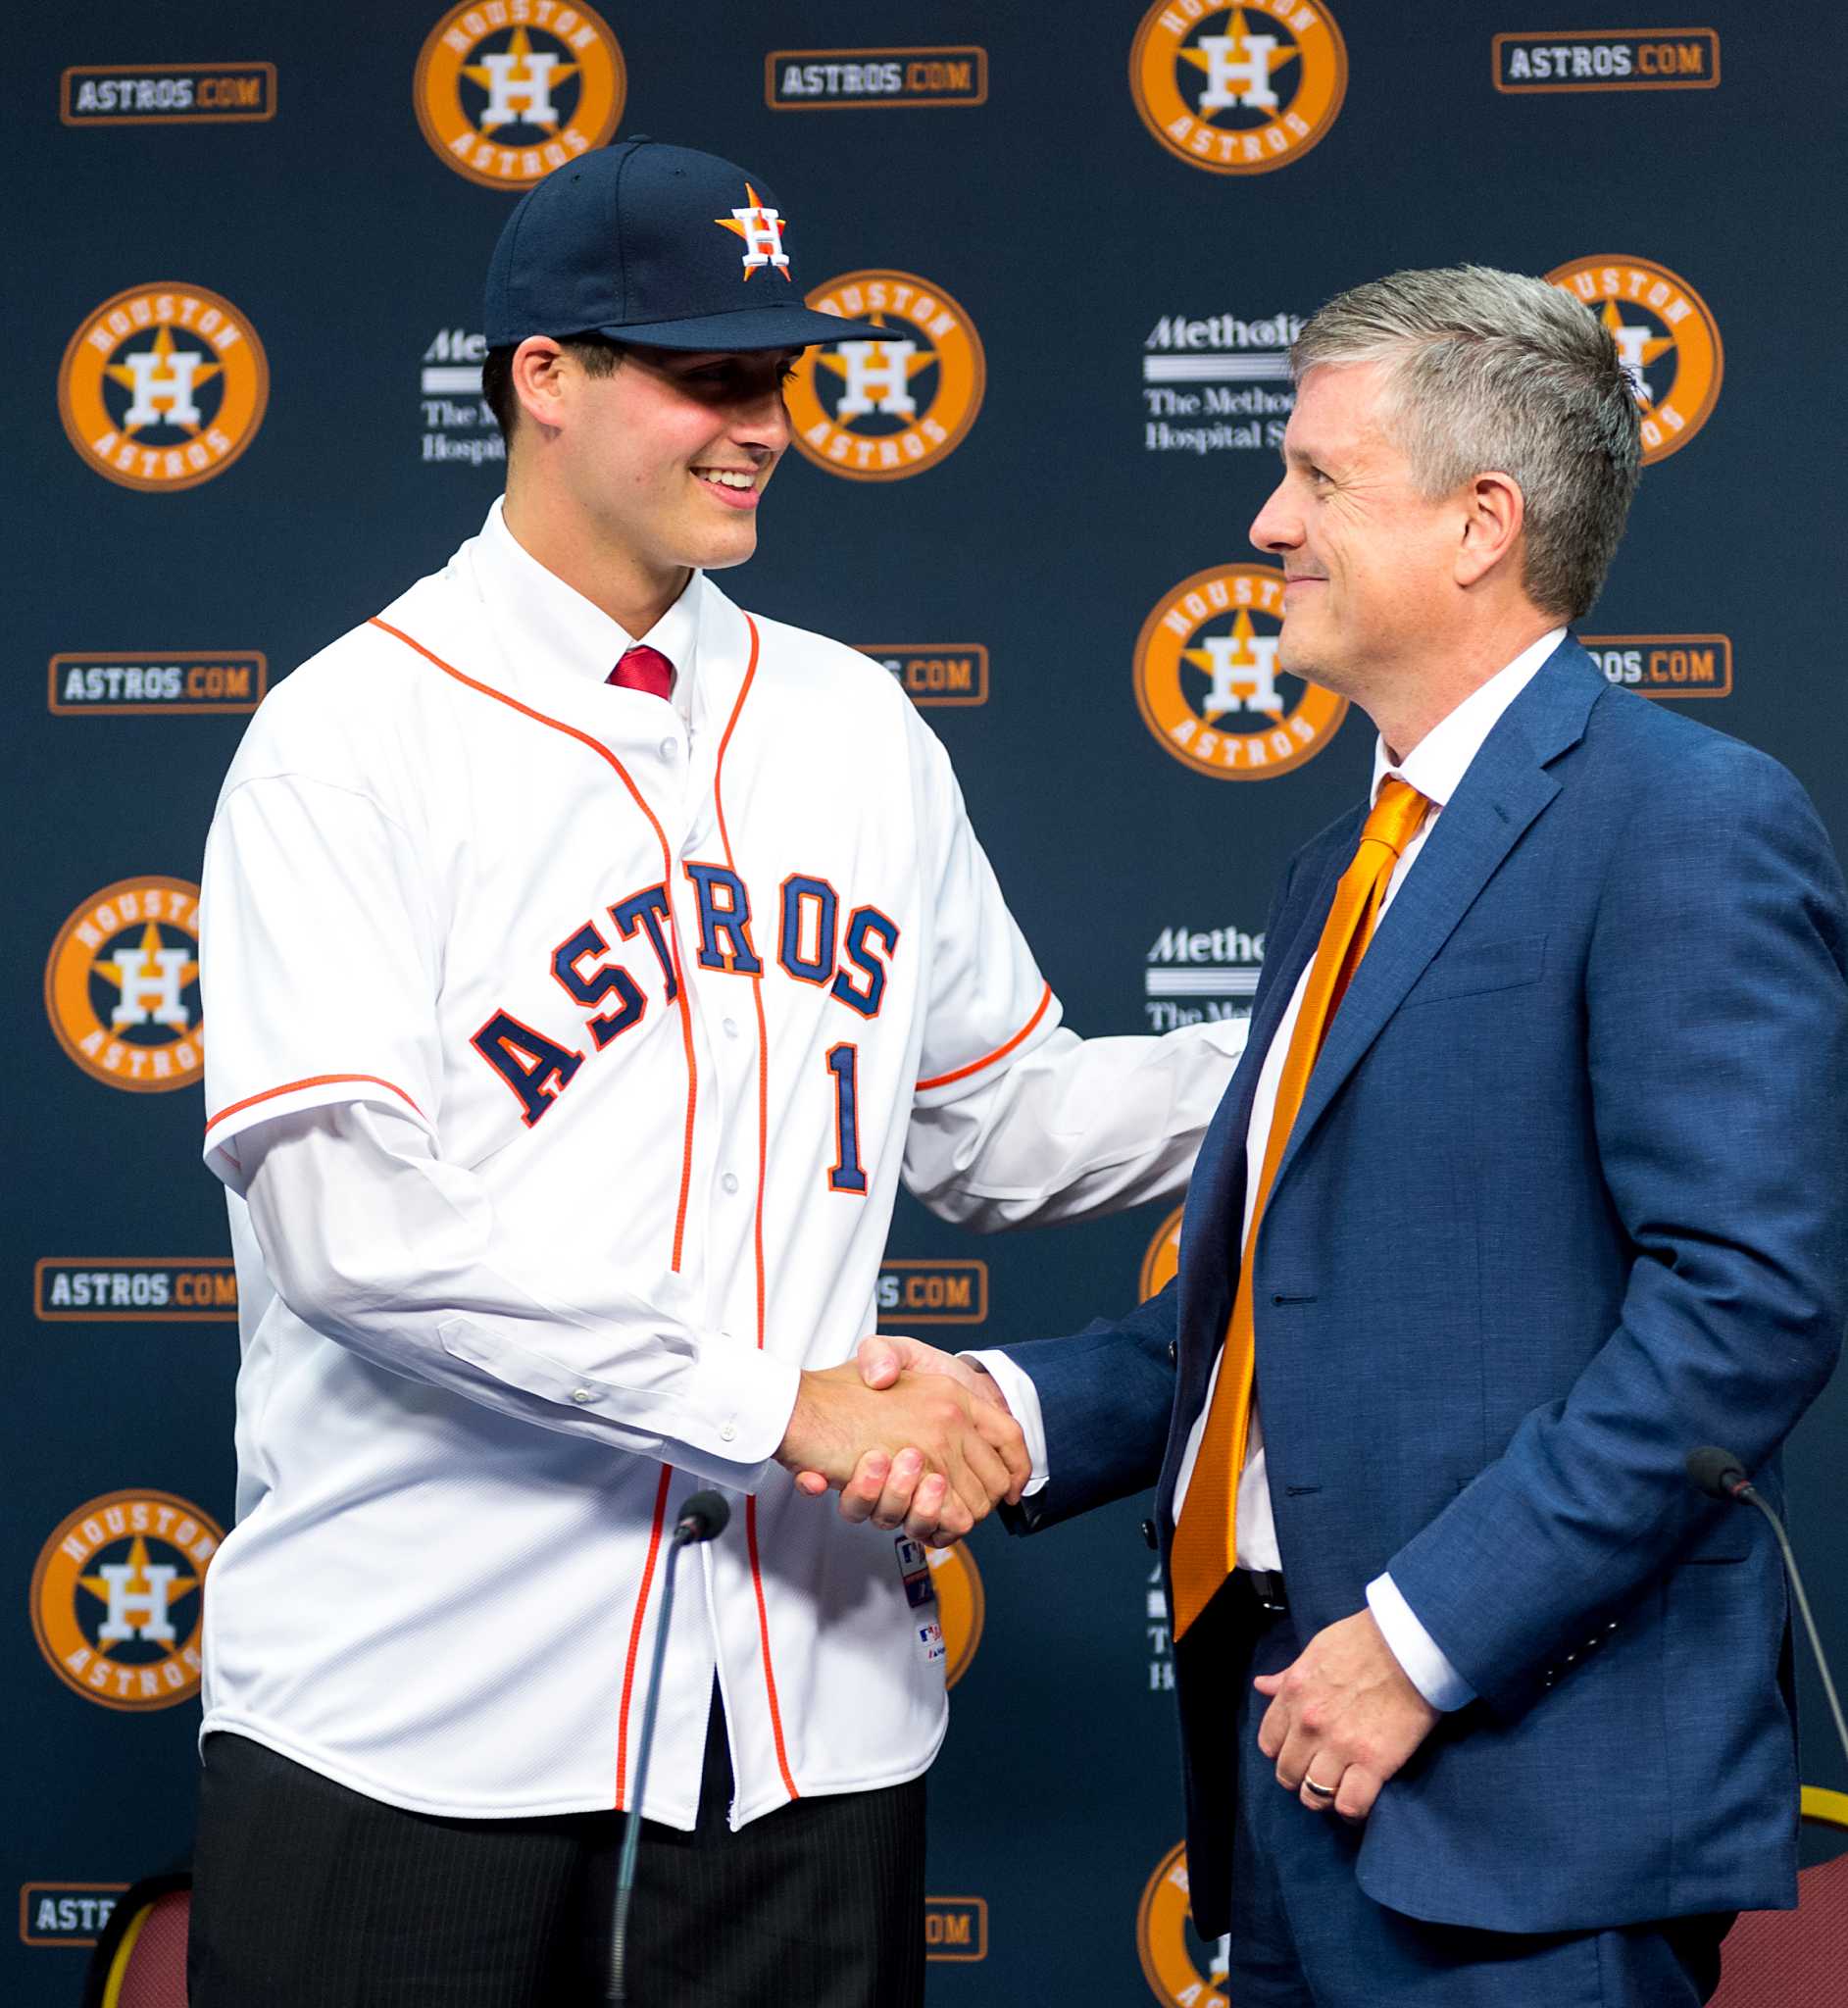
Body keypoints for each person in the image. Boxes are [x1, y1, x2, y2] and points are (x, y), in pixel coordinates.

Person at [186, 138, 1246, 2007]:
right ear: (543, 377)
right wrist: (778, 1405)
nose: (759, 423)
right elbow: (350, 1229)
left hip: (802, 1727)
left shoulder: (853, 724)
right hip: (418, 1719)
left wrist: (1323, 1040)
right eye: (703, 374)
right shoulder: (347, 739)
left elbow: (1003, 1121)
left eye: (774, 376)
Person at [841, 265, 1848, 2005]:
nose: (1264, 519)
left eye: (1315, 476)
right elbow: (1270, 1314)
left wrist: (1421, 1640)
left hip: (1524, 1815)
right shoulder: (1347, 866)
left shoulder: (1685, 820)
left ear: (1478, 526)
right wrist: (1000, 1411)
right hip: (1296, 1785)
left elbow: (1742, 1309)